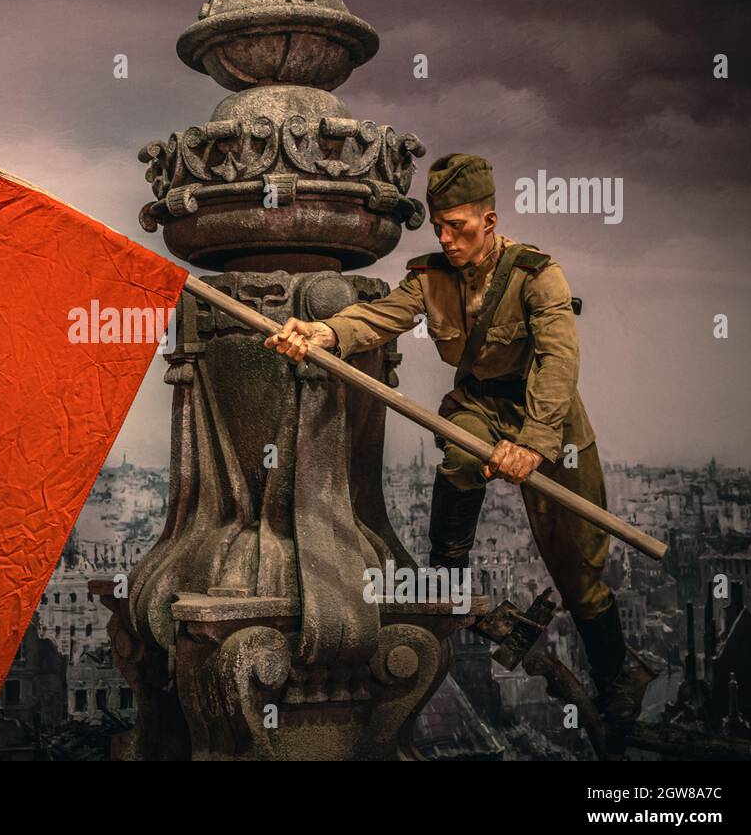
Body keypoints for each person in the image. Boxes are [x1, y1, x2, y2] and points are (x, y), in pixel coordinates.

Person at [263, 152, 654, 733]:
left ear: (490, 223)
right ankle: (450, 581)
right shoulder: (432, 279)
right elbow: (379, 318)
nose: (447, 238)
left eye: (459, 227)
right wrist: (323, 332)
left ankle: (617, 674)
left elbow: (558, 363)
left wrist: (535, 442)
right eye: (439, 226)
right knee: (462, 452)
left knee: (578, 569)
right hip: (478, 407)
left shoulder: (538, 276)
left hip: (551, 423)